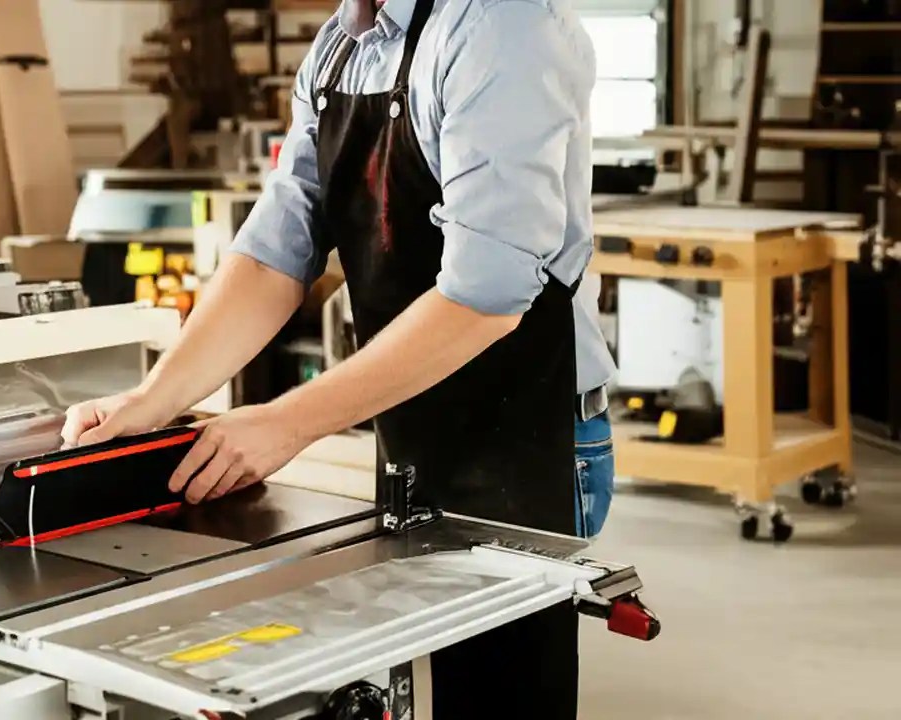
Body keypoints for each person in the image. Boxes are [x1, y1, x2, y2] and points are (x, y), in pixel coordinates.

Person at [64, 0, 613, 715]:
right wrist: (152, 401)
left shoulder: (503, 24)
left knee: (499, 695)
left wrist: (287, 421)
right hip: (415, 428)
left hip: (526, 440)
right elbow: (274, 256)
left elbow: (487, 296)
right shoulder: (341, 47)